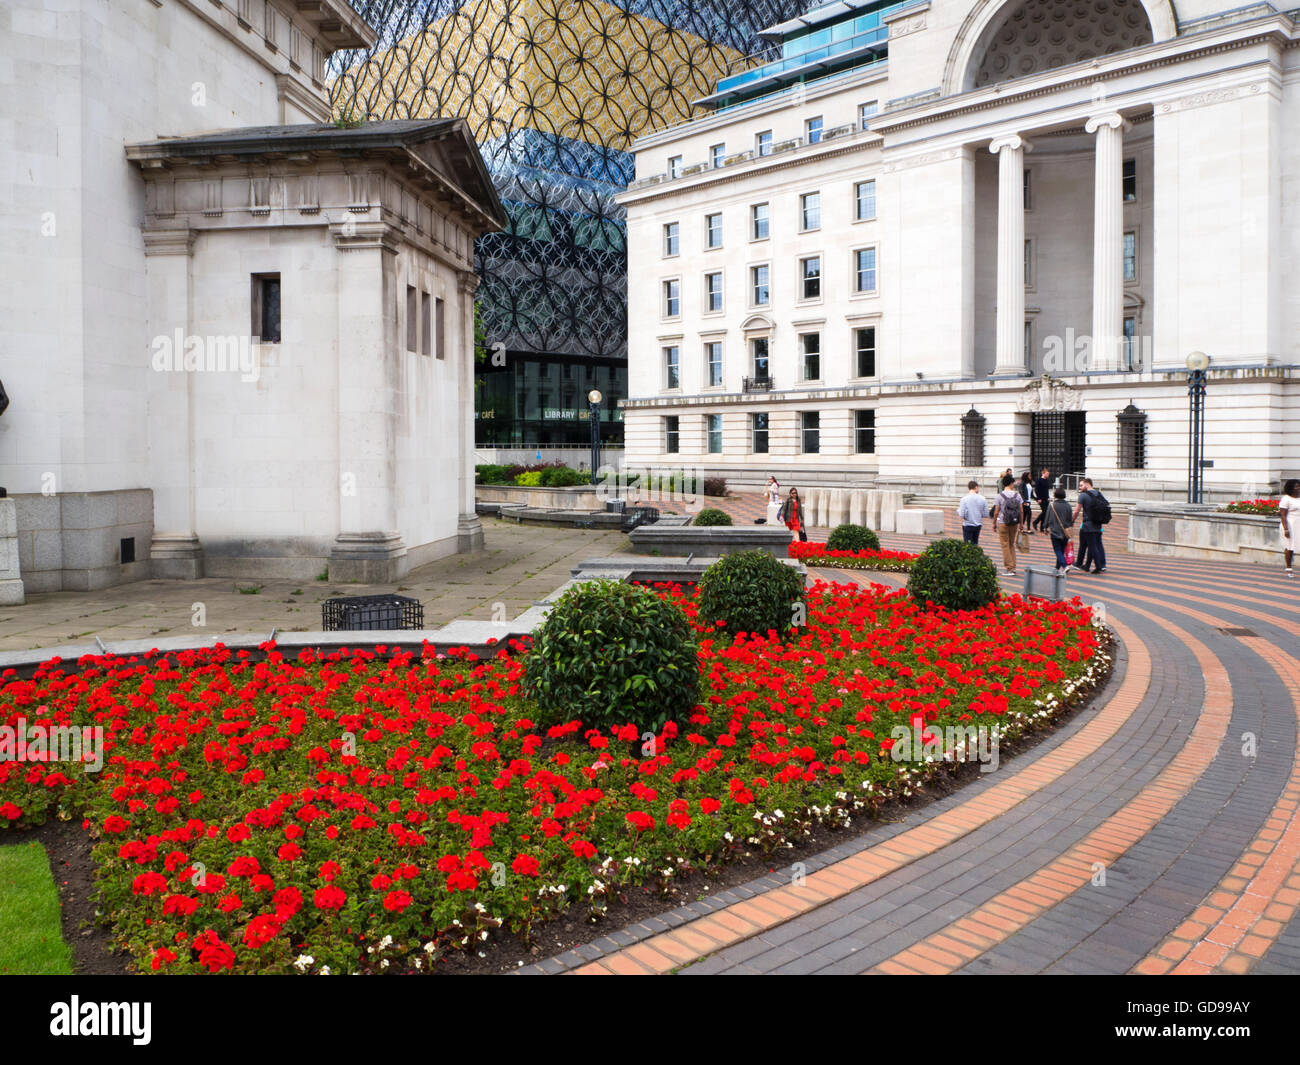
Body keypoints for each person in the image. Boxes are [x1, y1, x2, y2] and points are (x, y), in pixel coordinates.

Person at [1073, 477, 1108, 574]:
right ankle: (1087, 565)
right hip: (1098, 524)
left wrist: (1072, 521)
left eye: (1081, 485)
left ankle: (1098, 566)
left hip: (1088, 524)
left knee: (1092, 546)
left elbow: (1076, 511)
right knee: (1094, 544)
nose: (1080, 487)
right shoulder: (1099, 494)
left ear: (1087, 484)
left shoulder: (1083, 495)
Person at [993, 473, 1023, 576]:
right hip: (1014, 522)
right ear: (1011, 483)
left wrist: (994, 524)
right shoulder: (1017, 495)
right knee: (1011, 544)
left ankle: (1009, 568)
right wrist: (1021, 524)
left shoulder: (999, 496)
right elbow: (1021, 511)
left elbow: (996, 512)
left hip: (1003, 522)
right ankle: (1013, 567)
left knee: (1004, 545)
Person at [1044, 486, 1075, 575]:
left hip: (1055, 531)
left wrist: (1045, 527)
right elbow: (1070, 519)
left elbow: (1047, 518)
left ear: (1055, 495)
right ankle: (1057, 567)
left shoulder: (1052, 505)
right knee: (1061, 550)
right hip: (1065, 532)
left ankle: (1064, 566)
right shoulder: (1068, 506)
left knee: (1057, 550)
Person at [1280, 479, 1300, 576]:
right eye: (1296, 486)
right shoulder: (1286, 499)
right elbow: (1283, 515)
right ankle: (1289, 567)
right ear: (1290, 488)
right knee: (1290, 546)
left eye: (1299, 486)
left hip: (1299, 523)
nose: (1298, 488)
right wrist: (1286, 529)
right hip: (1290, 524)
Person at [1032, 468, 1052, 532]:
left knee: (1046, 513)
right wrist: (1038, 498)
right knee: (1045, 512)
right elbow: (1036, 490)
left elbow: (1046, 490)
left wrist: (1048, 497)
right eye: (1047, 473)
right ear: (1043, 473)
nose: (1048, 475)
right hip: (1041, 499)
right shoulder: (1039, 480)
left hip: (1046, 498)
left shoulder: (1047, 480)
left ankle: (1042, 527)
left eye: (1048, 474)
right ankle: (1035, 522)